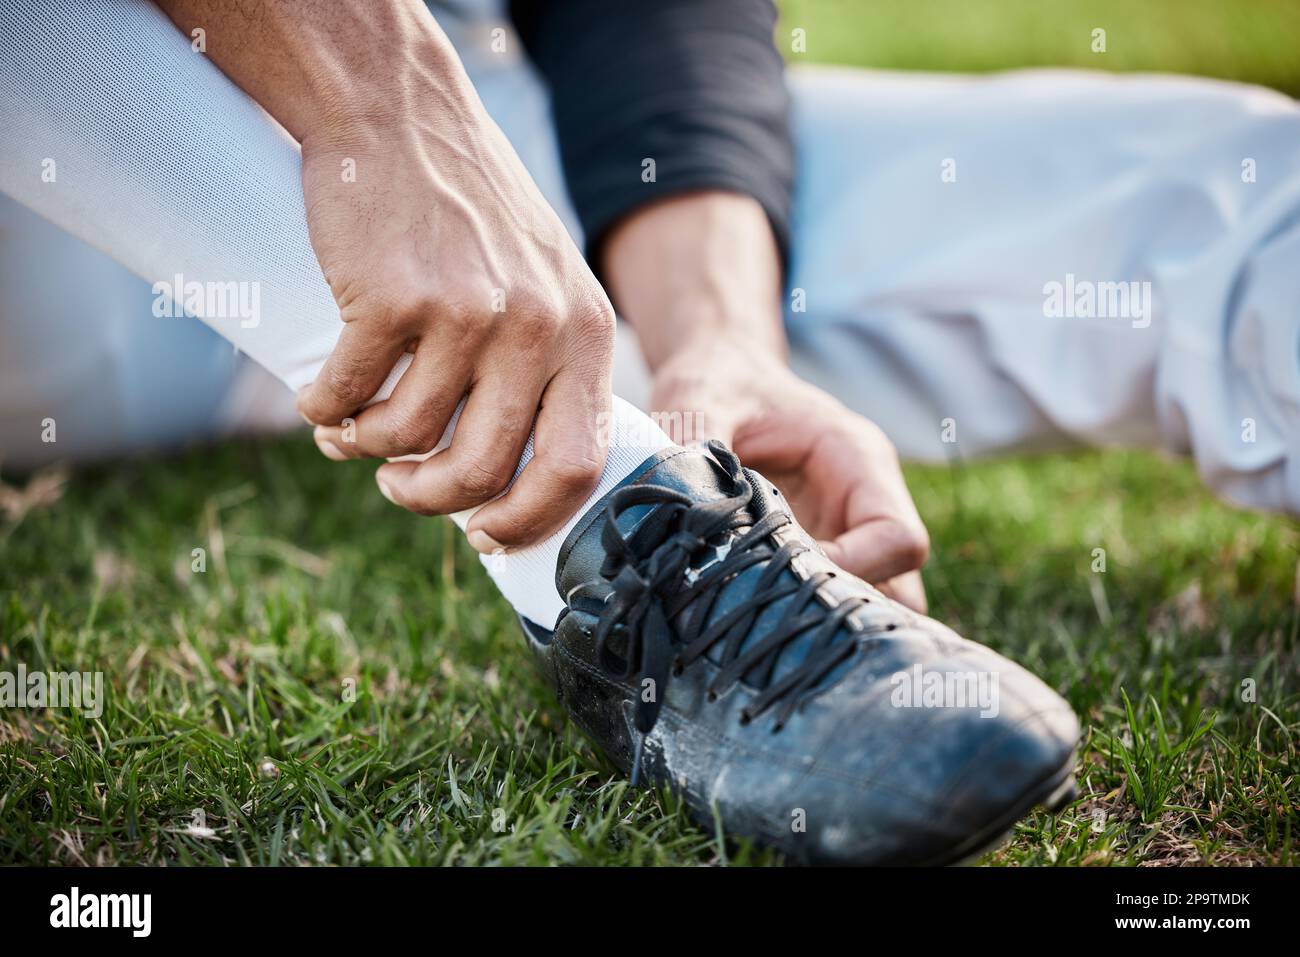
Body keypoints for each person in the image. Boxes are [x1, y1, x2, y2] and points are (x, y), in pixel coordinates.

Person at [1, 0, 1295, 862]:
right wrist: (378, 107)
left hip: (459, 120)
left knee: (1235, 191)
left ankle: (582, 406)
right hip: (65, 206)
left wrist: (715, 332)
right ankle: (600, 528)